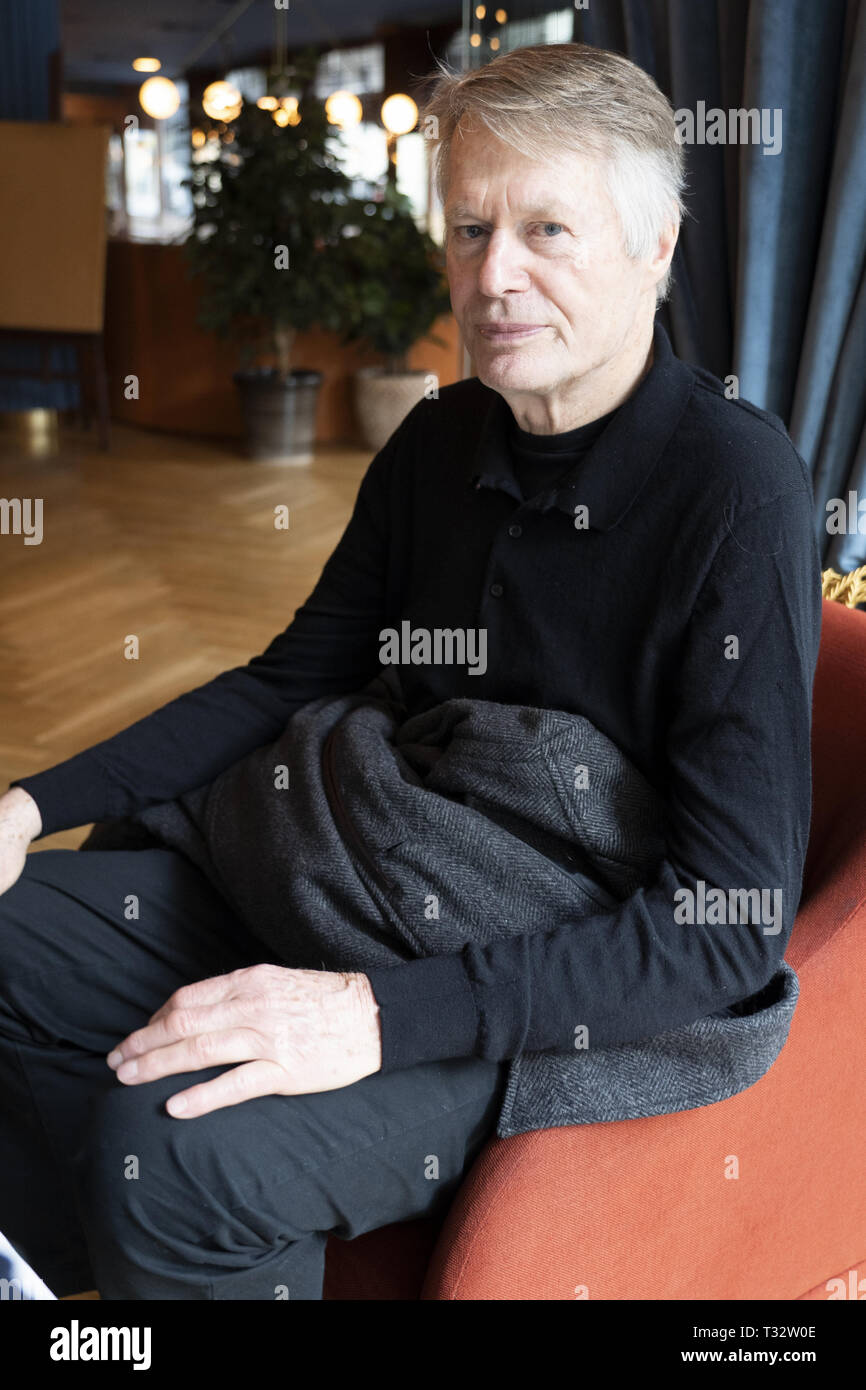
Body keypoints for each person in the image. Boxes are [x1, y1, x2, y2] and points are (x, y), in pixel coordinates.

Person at [0, 42, 821, 1300]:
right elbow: (285, 685)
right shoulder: (440, 442)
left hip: (530, 973)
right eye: (469, 226)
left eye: (547, 228)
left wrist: (367, 1018)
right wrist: (29, 805)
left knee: (166, 1156)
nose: (494, 275)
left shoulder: (734, 489)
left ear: (654, 250)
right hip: (348, 878)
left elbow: (724, 923)